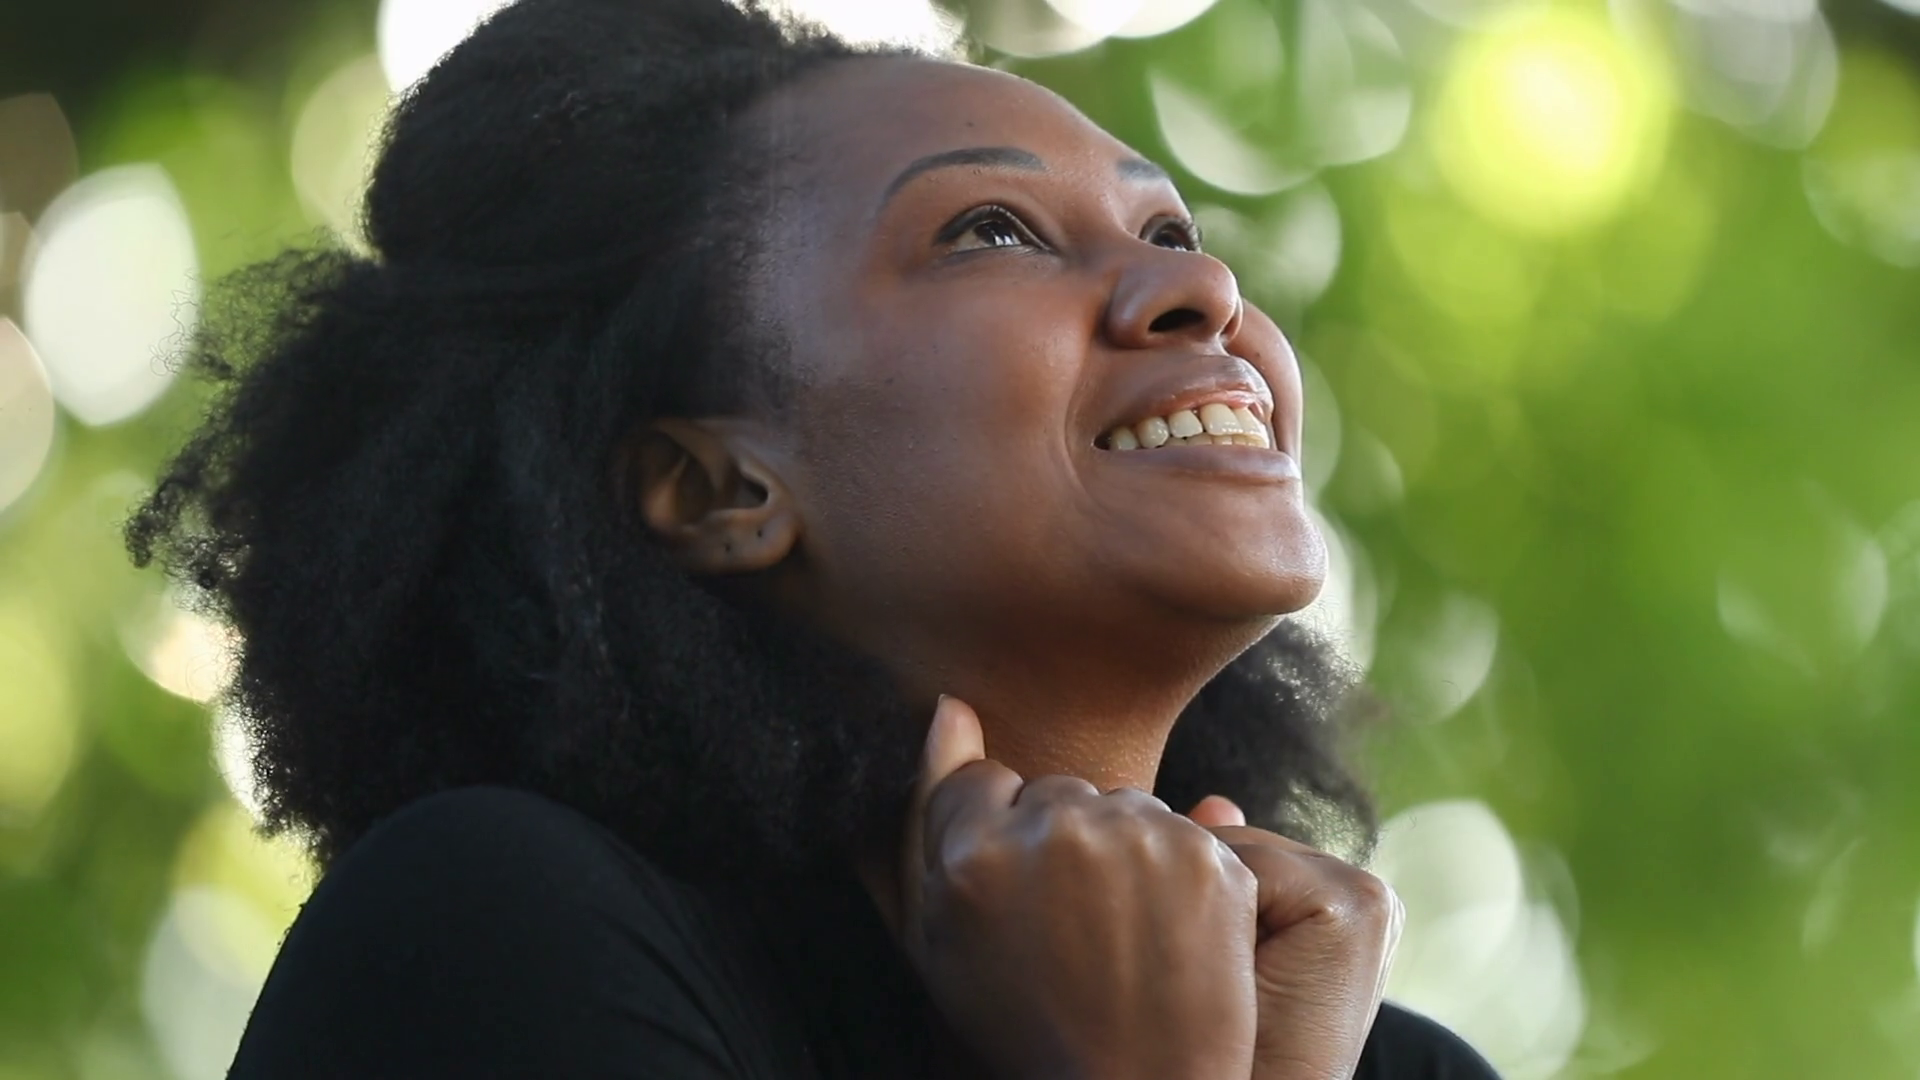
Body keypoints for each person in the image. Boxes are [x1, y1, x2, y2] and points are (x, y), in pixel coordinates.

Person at [127, 0, 1503, 1076]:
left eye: (1169, 227)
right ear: (717, 487)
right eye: (994, 230)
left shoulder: (1384, 1059)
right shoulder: (498, 935)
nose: (1203, 288)